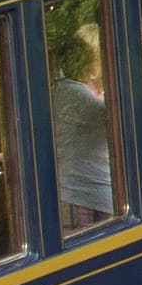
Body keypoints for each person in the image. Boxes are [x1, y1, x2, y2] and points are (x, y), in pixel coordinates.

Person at [50, 24, 114, 232]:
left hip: (106, 194)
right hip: (78, 198)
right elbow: (112, 116)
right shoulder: (69, 91)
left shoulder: (104, 89)